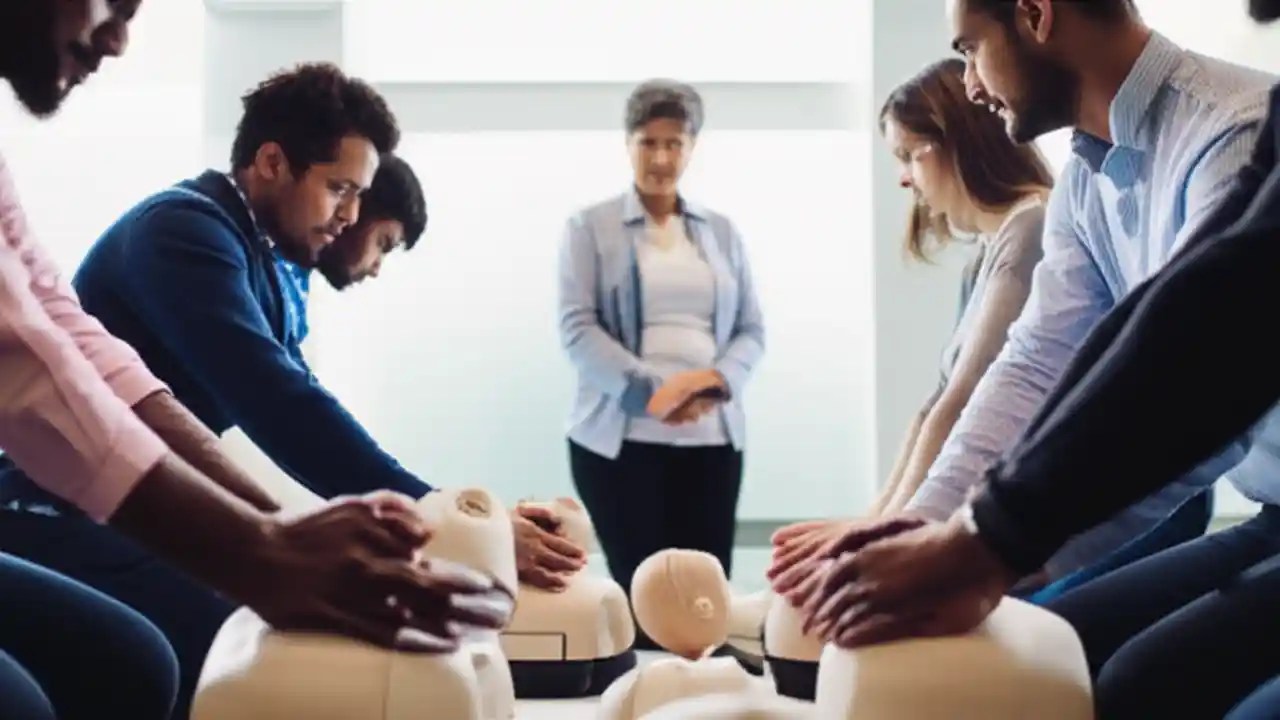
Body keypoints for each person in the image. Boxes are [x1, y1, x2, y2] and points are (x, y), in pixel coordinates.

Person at [0, 62, 572, 717]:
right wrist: (434, 514)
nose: (350, 216)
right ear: (272, 163)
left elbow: (281, 398)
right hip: (52, 513)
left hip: (125, 505)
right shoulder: (183, 232)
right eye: (339, 189)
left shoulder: (259, 255)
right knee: (233, 628)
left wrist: (323, 527)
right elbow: (277, 403)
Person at [795, 0, 1280, 717]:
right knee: (1066, 649)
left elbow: (1208, 364)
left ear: (1036, 14)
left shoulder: (1227, 130)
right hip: (1272, 515)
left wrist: (992, 543)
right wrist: (927, 527)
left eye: (970, 50)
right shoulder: (1084, 177)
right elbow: (1035, 363)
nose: (969, 83)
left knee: (1146, 683)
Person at [769, 57, 1057, 590]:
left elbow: (967, 398)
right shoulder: (991, 248)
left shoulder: (1033, 229)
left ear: (958, 142)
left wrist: (888, 530)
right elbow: (937, 403)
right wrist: (874, 519)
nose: (904, 178)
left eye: (909, 155)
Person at [558, 79, 765, 647]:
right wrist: (654, 392)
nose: (661, 157)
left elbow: (751, 330)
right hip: (621, 442)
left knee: (704, 606)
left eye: (674, 143)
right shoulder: (588, 228)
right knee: (644, 608)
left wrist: (712, 382)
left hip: (711, 440)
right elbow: (577, 328)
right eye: (648, 142)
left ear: (692, 146)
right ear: (628, 144)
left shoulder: (721, 231)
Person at [274, 152, 429, 356]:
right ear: (356, 212)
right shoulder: (260, 264)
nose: (375, 269)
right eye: (383, 244)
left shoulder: (293, 282)